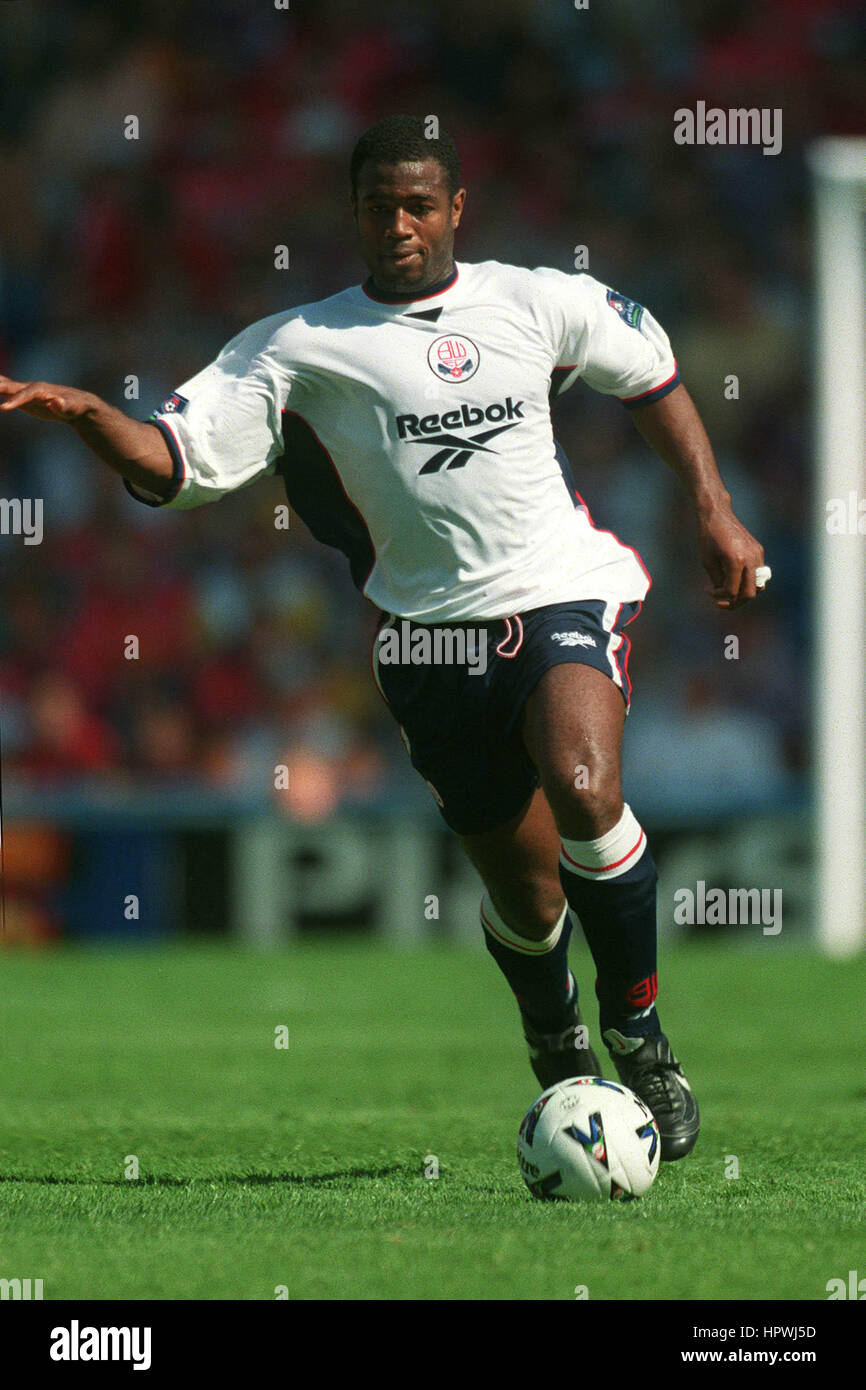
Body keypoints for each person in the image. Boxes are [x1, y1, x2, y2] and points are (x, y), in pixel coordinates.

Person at [0, 114, 767, 1161]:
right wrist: (90, 413)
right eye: (378, 205)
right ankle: (555, 1039)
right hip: (423, 643)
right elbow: (175, 464)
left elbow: (649, 369)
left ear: (455, 208)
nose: (398, 224)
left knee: (586, 787)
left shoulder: (534, 300)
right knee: (526, 893)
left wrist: (712, 507)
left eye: (418, 203)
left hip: (559, 595)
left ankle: (639, 1036)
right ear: (353, 213)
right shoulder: (296, 345)